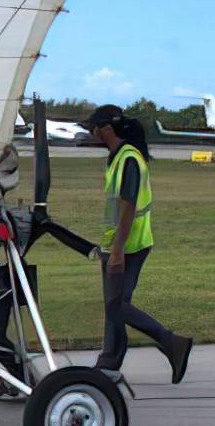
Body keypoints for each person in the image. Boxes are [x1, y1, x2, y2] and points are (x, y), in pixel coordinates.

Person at [81, 105, 192, 383]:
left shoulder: (128, 158)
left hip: (127, 246)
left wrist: (117, 251)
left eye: (93, 127)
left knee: (116, 306)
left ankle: (171, 343)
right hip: (128, 243)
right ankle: (109, 363)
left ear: (107, 128)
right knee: (116, 304)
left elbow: (128, 205)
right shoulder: (120, 156)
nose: (91, 133)